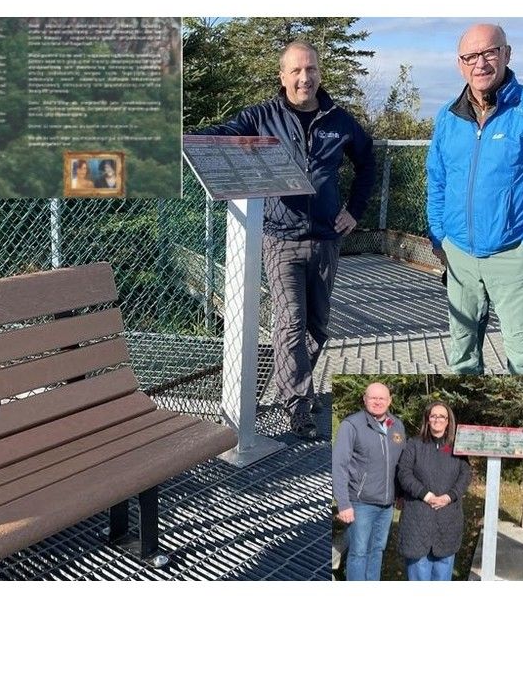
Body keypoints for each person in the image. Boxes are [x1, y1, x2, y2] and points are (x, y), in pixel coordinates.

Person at [198, 40, 375, 438]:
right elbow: (223, 134)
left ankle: (295, 386)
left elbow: (367, 164)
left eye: (310, 69)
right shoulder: (262, 117)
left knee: (317, 327)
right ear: (282, 76)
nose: (304, 78)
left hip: (326, 238)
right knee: (291, 322)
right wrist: (182, 137)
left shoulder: (339, 120)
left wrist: (354, 210)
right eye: (295, 70)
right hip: (280, 238)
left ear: (320, 73)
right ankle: (297, 405)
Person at [426, 23, 523, 374]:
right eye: (470, 56)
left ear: (507, 54)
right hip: (458, 253)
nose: (480, 63)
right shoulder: (448, 116)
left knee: (522, 358)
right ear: (460, 64)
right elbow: (437, 178)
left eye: (489, 52)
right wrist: (439, 235)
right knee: (461, 355)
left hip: (514, 254)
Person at [332, 382, 407, 580]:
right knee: (359, 552)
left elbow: (401, 464)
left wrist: (400, 494)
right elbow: (339, 465)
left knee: (377, 549)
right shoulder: (352, 425)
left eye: (382, 398)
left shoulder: (397, 425)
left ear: (389, 401)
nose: (377, 402)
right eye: (373, 398)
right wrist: (343, 503)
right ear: (365, 399)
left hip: (387, 505)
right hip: (361, 503)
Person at [396, 400, 471, 581]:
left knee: (443, 570)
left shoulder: (457, 447)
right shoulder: (414, 444)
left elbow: (465, 474)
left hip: (448, 517)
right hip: (418, 517)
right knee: (419, 569)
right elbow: (404, 473)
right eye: (433, 416)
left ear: (448, 421)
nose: (437, 420)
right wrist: (426, 495)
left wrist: (449, 496)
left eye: (442, 416)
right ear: (427, 419)